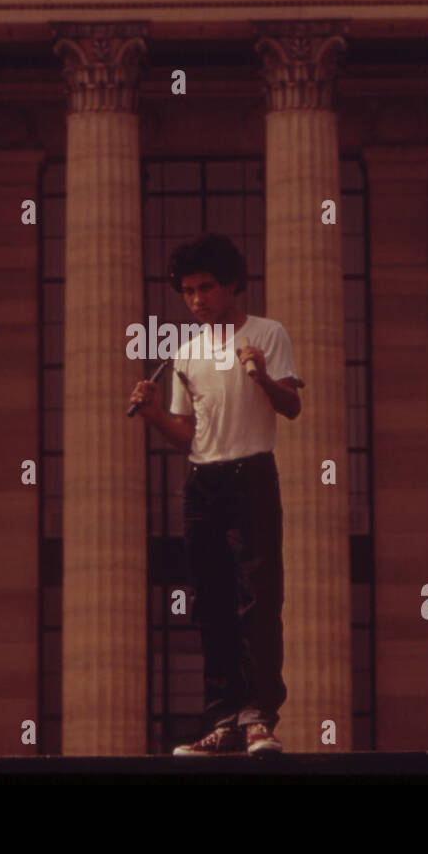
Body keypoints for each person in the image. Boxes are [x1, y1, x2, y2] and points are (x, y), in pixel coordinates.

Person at [128, 233, 302, 757]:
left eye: (206, 288)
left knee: (258, 597)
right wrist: (155, 413)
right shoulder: (186, 352)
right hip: (204, 480)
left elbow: (291, 406)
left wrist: (264, 377)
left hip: (252, 474)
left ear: (231, 285)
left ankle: (258, 718)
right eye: (187, 291)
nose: (196, 300)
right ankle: (223, 719)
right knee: (211, 604)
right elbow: (188, 434)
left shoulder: (267, 334)